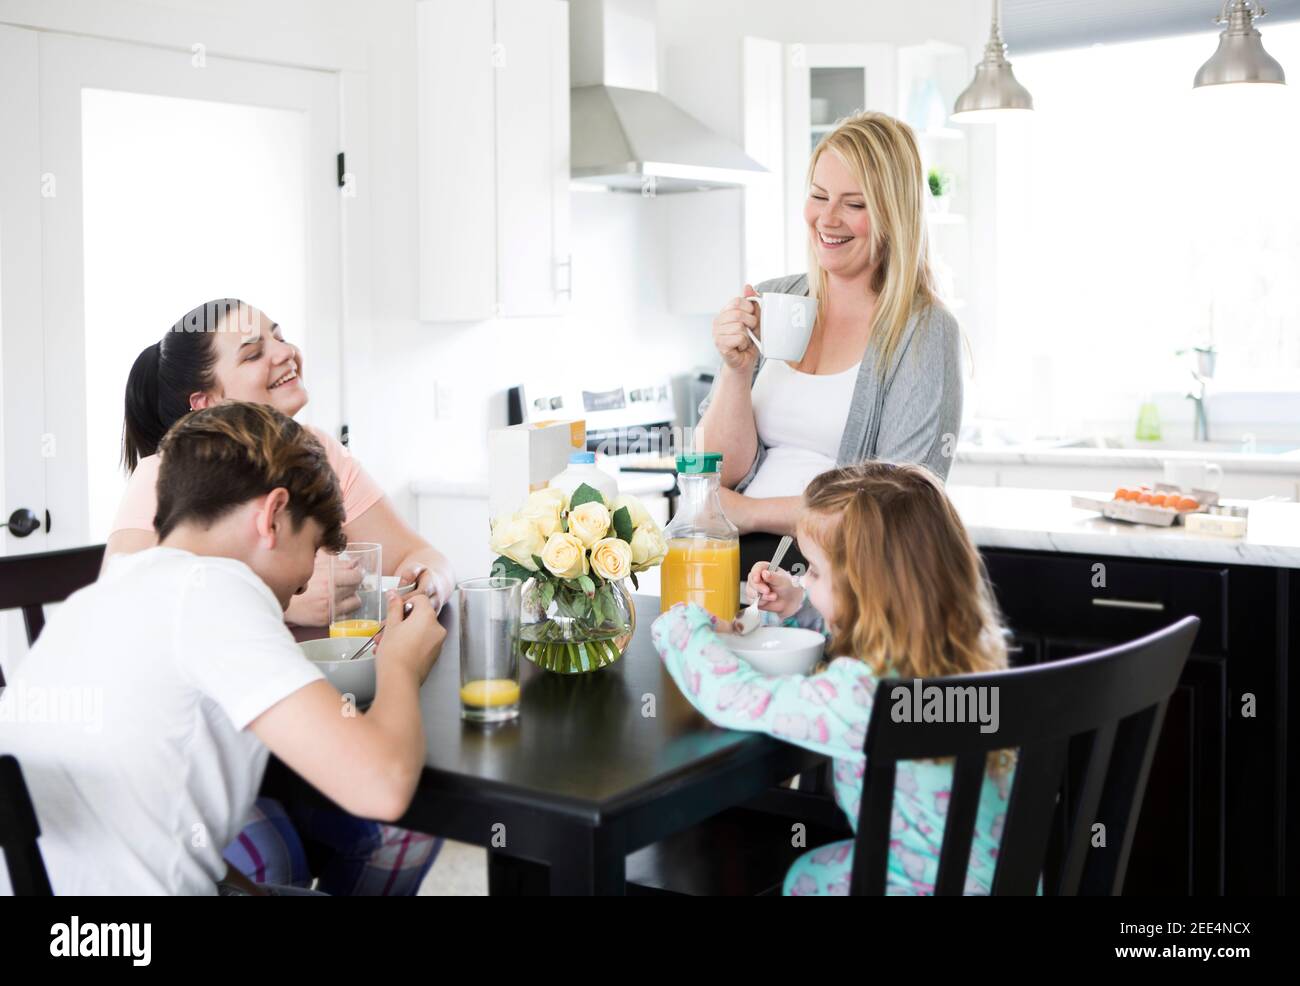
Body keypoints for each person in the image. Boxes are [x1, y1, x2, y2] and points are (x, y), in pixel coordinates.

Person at [0, 403, 444, 895]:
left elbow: (141, 838)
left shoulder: (97, 600)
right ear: (272, 516)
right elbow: (382, 787)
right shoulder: (212, 590)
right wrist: (400, 660)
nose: (300, 584)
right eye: (313, 546)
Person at [107, 300, 451, 894]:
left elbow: (420, 555)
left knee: (405, 829)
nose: (283, 353)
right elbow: (131, 595)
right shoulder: (169, 477)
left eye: (279, 336)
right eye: (253, 352)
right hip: (217, 749)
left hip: (310, 721)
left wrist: (420, 590)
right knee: (274, 861)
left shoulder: (318, 452)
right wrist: (283, 602)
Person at [650, 462, 1015, 895]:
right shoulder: (964, 656)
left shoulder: (865, 696)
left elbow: (736, 696)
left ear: (866, 591)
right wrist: (800, 602)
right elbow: (863, 636)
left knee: (806, 876)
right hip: (1008, 879)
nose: (806, 578)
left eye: (815, 572)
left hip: (917, 886)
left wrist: (683, 626)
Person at [695, 112, 963, 568]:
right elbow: (714, 471)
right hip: (735, 569)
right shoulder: (775, 299)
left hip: (843, 584)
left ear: (893, 214)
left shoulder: (925, 331)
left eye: (854, 204)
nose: (827, 218)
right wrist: (735, 370)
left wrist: (748, 513)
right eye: (818, 196)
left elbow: (895, 503)